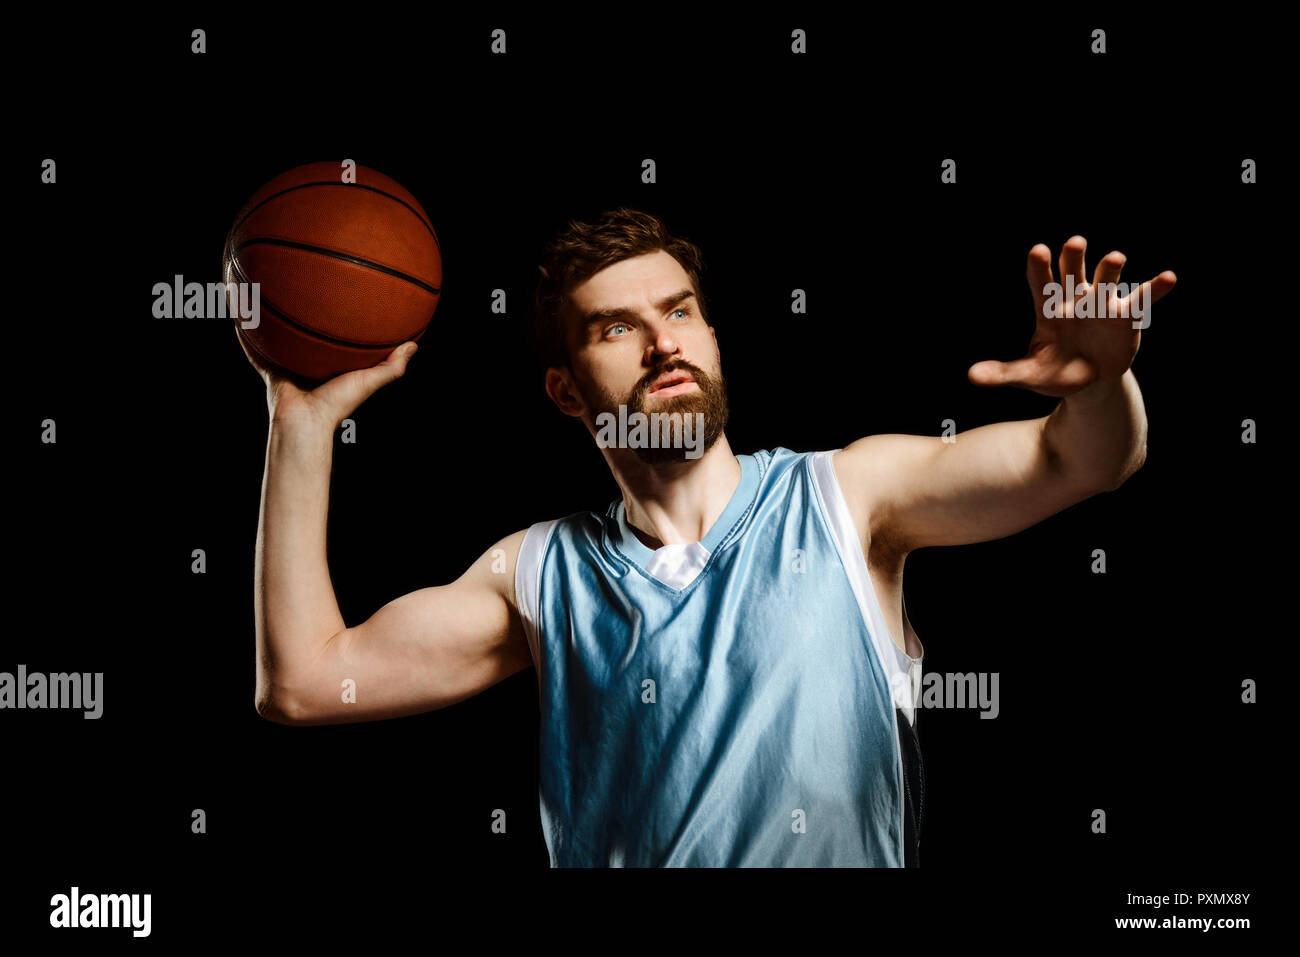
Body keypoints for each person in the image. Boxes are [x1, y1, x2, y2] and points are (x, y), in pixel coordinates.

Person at [243, 208, 1176, 866]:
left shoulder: (850, 494)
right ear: (566, 390)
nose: (664, 343)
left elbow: (1082, 463)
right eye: (618, 327)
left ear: (714, 335)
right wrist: (302, 424)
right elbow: (304, 683)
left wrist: (1095, 385)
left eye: (680, 310)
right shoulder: (535, 575)